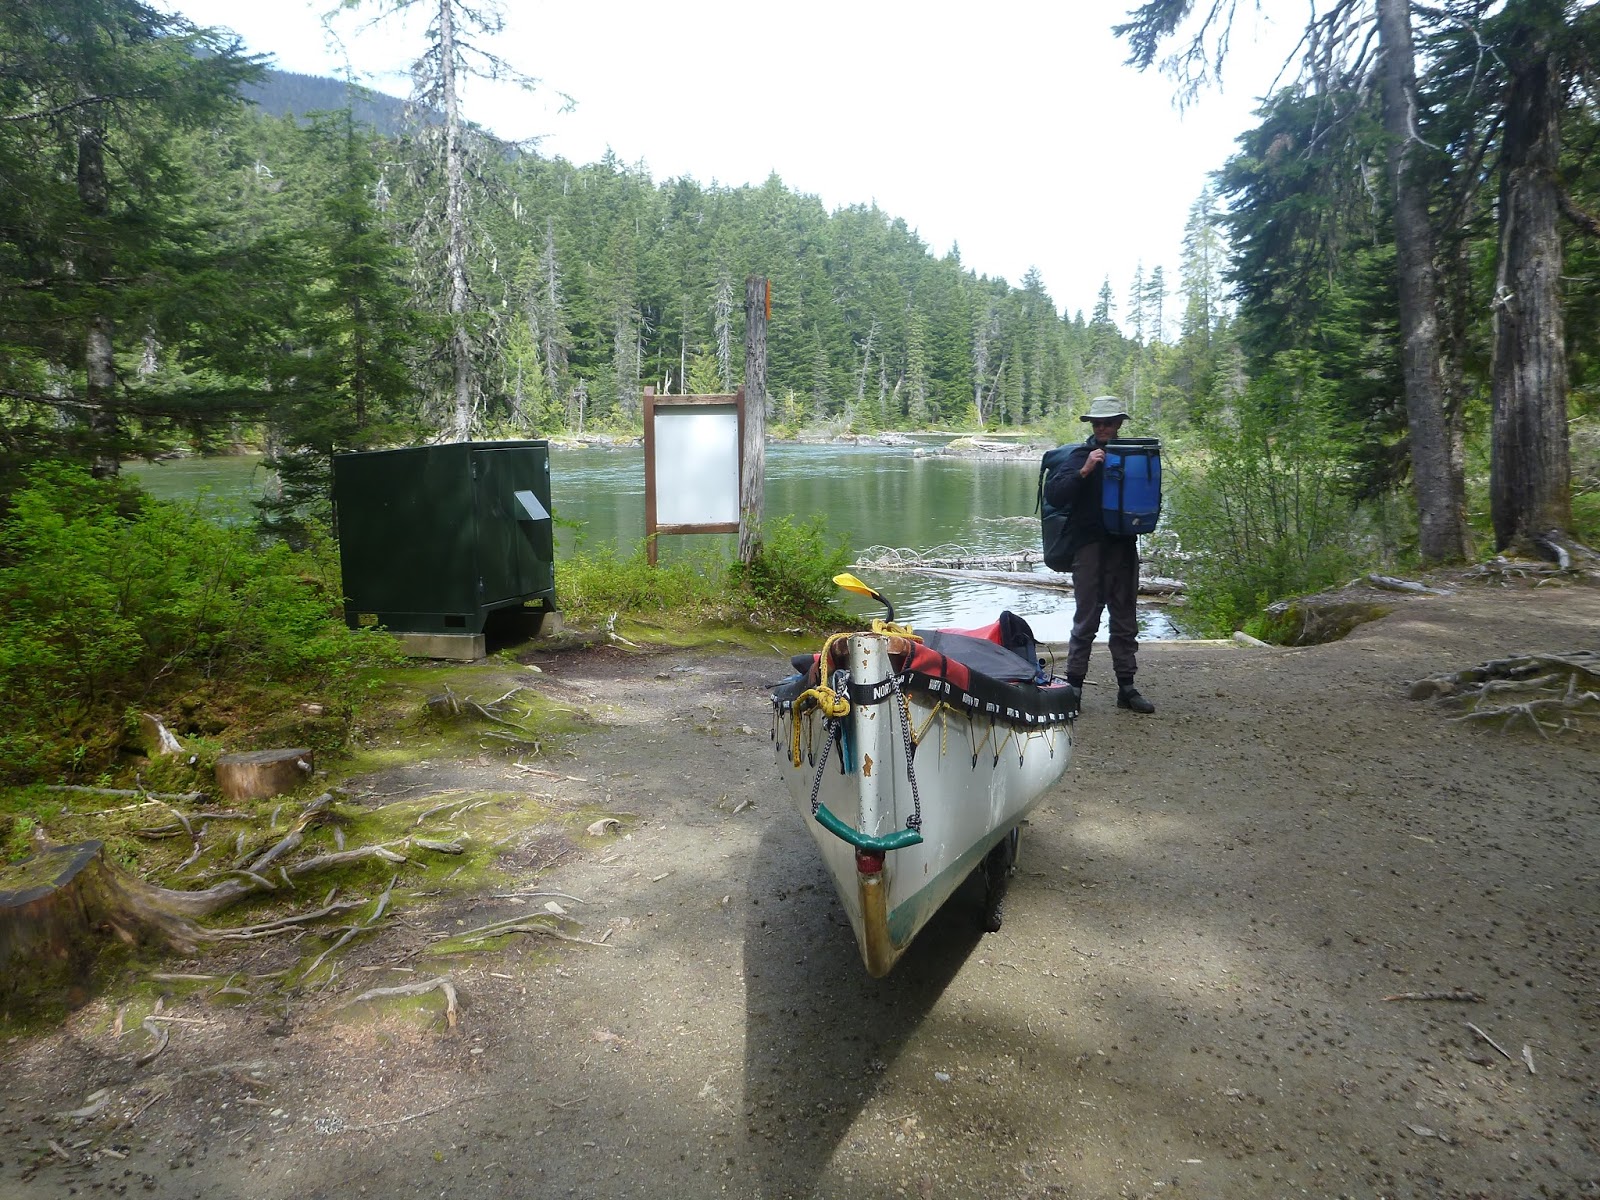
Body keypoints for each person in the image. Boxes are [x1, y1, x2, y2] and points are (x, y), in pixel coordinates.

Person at [1042, 396, 1155, 714]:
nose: (1103, 427)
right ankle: (1074, 688)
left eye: (1109, 422)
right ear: (1093, 425)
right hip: (1088, 547)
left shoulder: (1132, 457)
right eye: (1098, 423)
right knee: (1086, 620)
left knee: (1124, 620)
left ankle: (1127, 688)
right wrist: (1086, 469)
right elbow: (1055, 494)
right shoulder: (1080, 455)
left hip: (1123, 547)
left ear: (1119, 423)